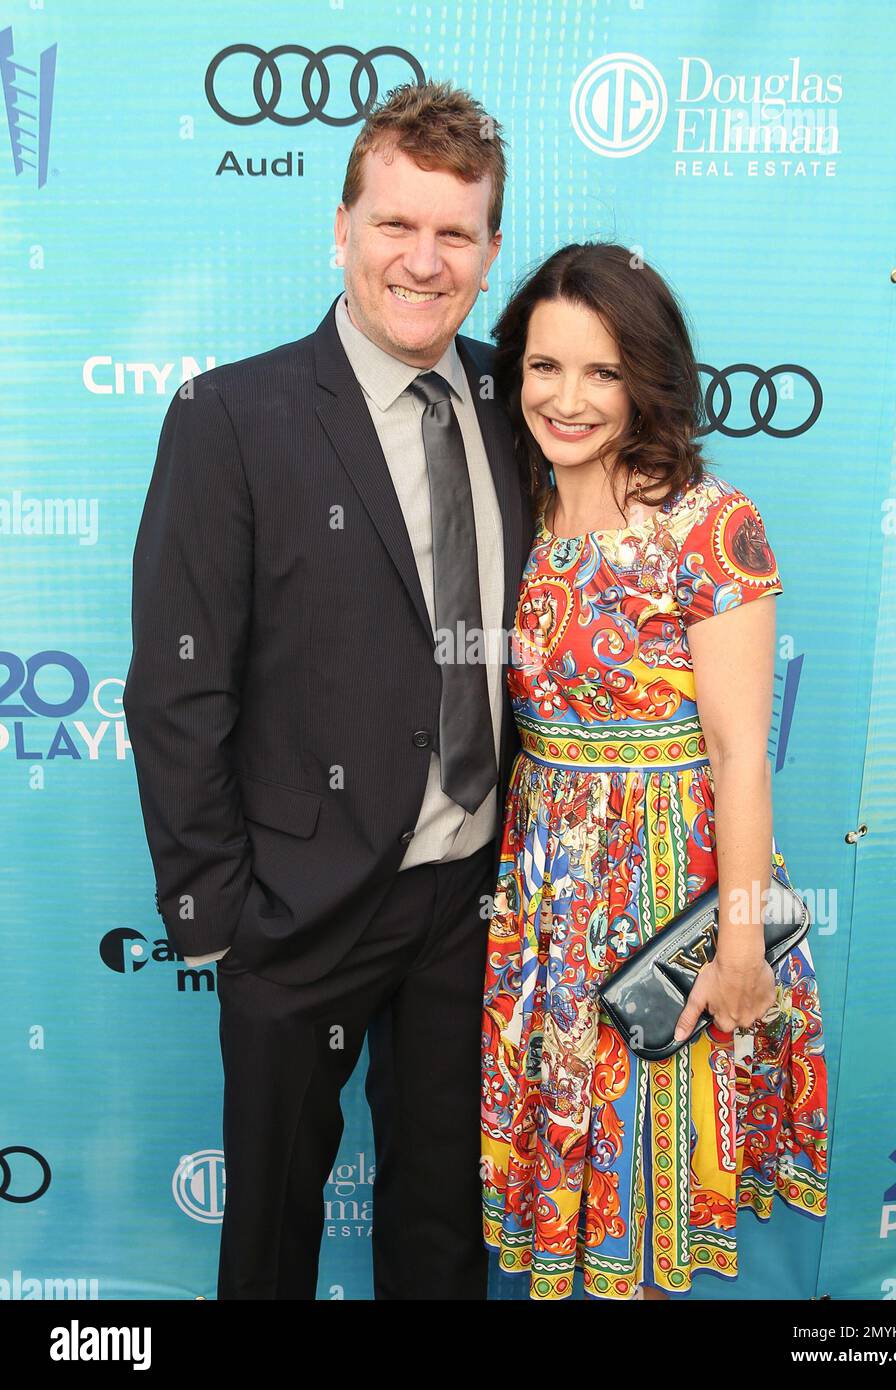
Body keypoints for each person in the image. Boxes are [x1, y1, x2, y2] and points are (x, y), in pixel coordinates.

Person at [123, 80, 532, 1300]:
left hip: (468, 897)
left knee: (444, 1234)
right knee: (268, 1249)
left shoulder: (523, 405)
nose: (423, 260)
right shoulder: (232, 416)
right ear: (342, 228)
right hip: (295, 910)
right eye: (395, 225)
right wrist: (224, 916)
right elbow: (178, 688)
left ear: (490, 251)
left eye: (454, 233)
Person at [479, 242, 829, 1301]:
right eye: (545, 367)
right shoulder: (522, 511)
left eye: (603, 371)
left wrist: (737, 940)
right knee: (562, 1169)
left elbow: (738, 756)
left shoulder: (709, 525)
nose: (568, 398)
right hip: (542, 889)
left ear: (650, 378)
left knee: (647, 1158)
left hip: (664, 883)